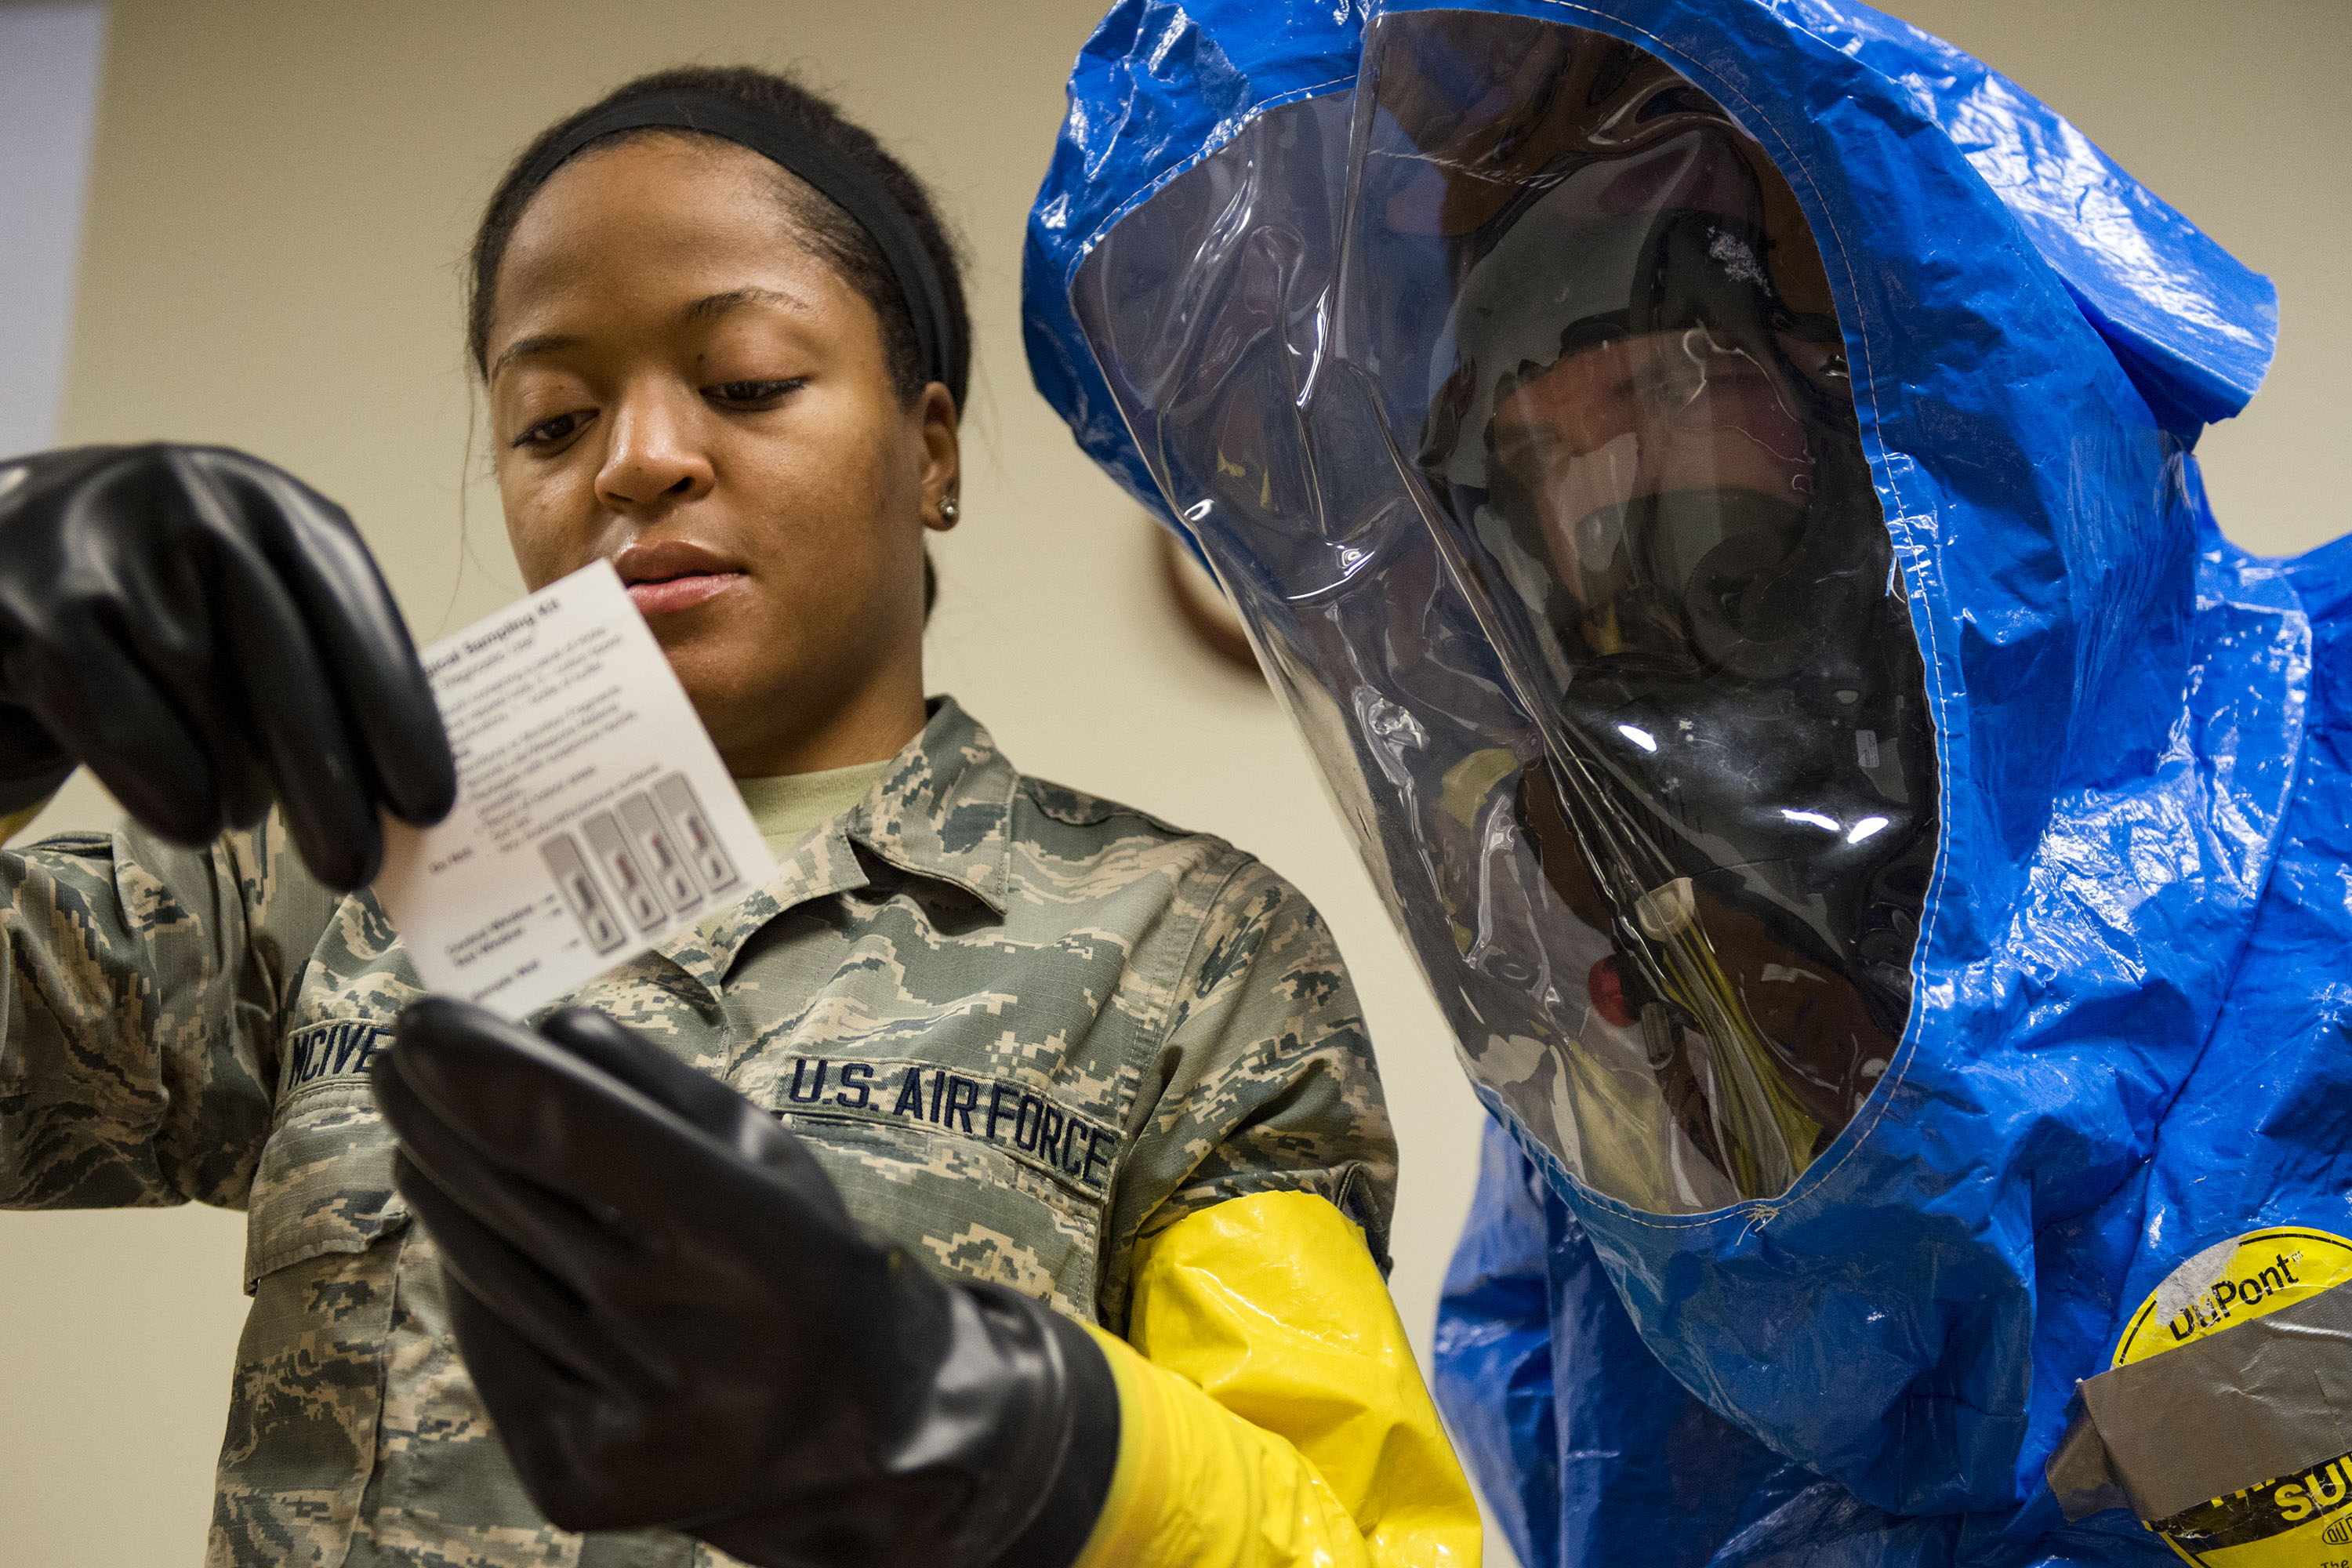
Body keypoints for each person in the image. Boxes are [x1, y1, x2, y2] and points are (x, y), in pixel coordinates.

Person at [0, 66, 1480, 1568]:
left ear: (935, 451)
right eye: (552, 421)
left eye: (750, 383)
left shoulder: (1187, 954)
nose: (638, 460)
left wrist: (1017, 1436)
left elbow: (1362, 1544)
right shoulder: (323, 879)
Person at [1025, 2, 2352, 1566]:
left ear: (1866, 375)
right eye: (1541, 442)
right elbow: (1557, 1440)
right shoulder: (1631, 1012)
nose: (1613, 485)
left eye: (1663, 379)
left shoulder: (2310, 737)